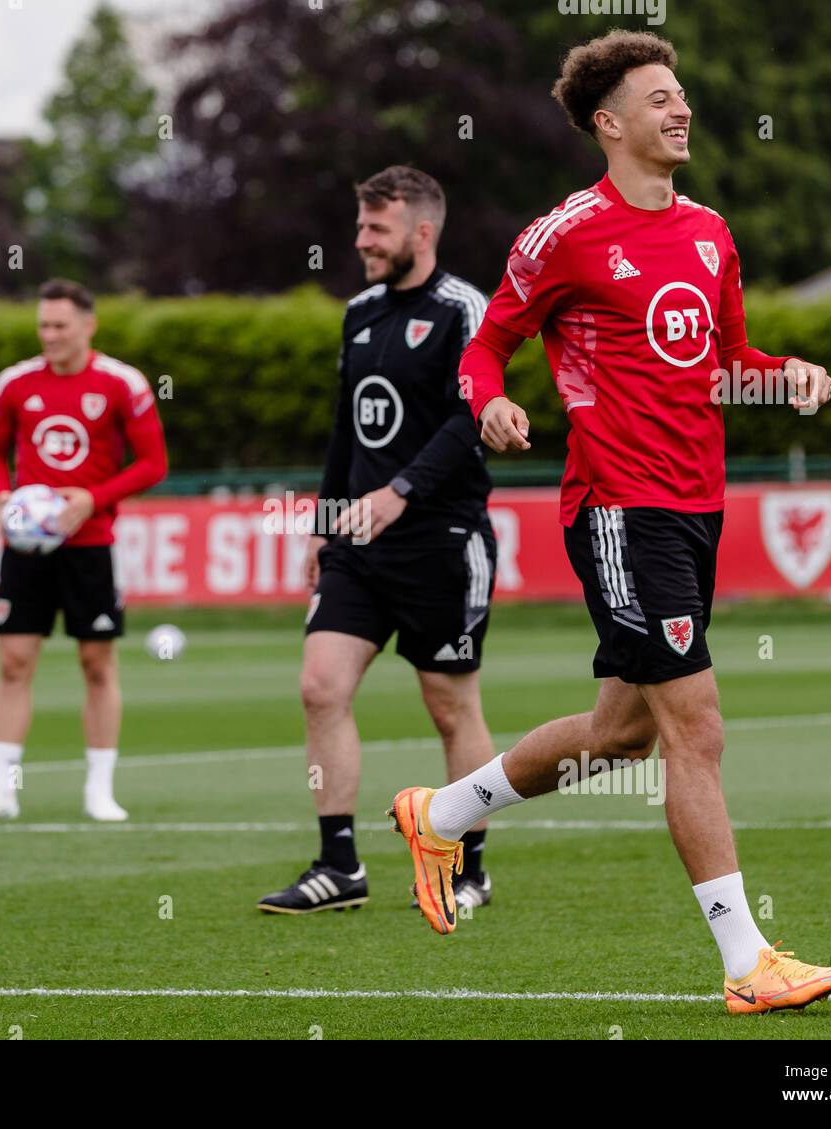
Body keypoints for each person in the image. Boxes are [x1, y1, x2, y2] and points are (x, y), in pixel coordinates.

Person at [386, 32, 831, 1014]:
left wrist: (786, 376)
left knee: (622, 734)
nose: (680, 110)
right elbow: (487, 348)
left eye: (681, 95)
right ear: (609, 123)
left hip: (696, 505)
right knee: (697, 727)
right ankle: (745, 964)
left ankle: (442, 809)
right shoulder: (564, 235)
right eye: (659, 99)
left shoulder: (710, 233)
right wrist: (490, 405)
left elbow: (726, 360)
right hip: (619, 506)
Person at [258, 167, 499, 915]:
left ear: (421, 233)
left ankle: (467, 867)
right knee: (319, 686)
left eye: (377, 228)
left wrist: (401, 493)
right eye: (360, 225)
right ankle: (339, 866)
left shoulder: (465, 309)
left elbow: (471, 420)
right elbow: (346, 425)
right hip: (360, 543)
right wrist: (326, 524)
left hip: (443, 538)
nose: (361, 240)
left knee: (449, 705)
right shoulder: (359, 313)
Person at [0, 279, 167, 824]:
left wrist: (92, 499)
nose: (49, 335)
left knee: (96, 662)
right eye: (43, 326)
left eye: (60, 326)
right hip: (26, 547)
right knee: (13, 661)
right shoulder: (15, 383)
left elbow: (152, 464)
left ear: (87, 326)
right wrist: (3, 496)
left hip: (92, 545)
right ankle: (0, 789)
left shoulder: (122, 383)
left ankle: (100, 788)